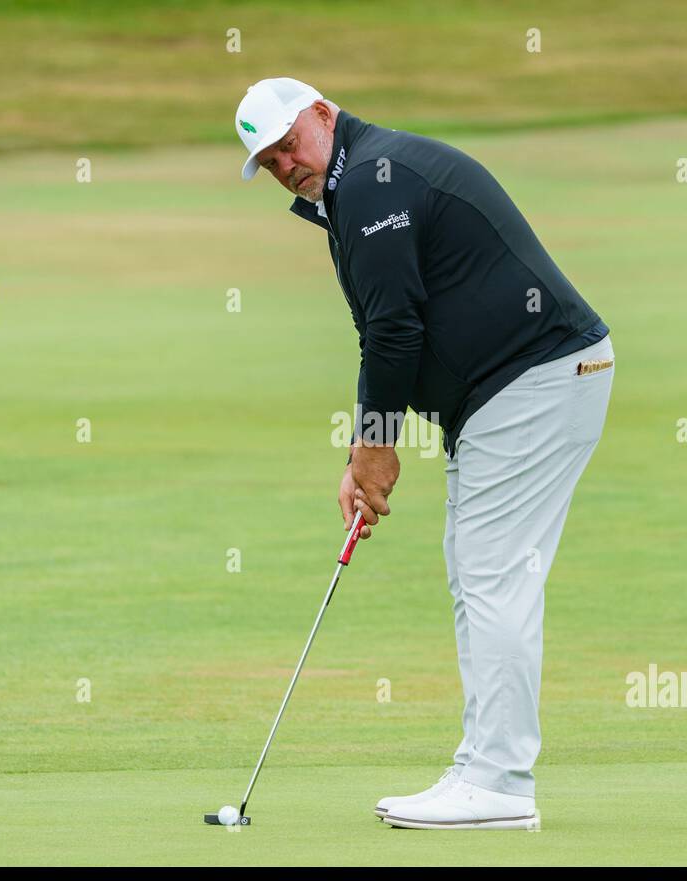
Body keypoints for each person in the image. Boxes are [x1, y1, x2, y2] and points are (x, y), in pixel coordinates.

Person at [236, 77, 615, 830]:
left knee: (491, 575)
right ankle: (486, 768)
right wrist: (364, 454)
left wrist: (375, 451)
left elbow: (394, 331)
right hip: (519, 388)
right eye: (270, 161)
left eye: (290, 143)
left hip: (534, 378)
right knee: (479, 572)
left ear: (323, 113)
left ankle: (501, 782)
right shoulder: (361, 184)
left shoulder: (378, 182)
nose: (286, 164)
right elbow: (383, 327)